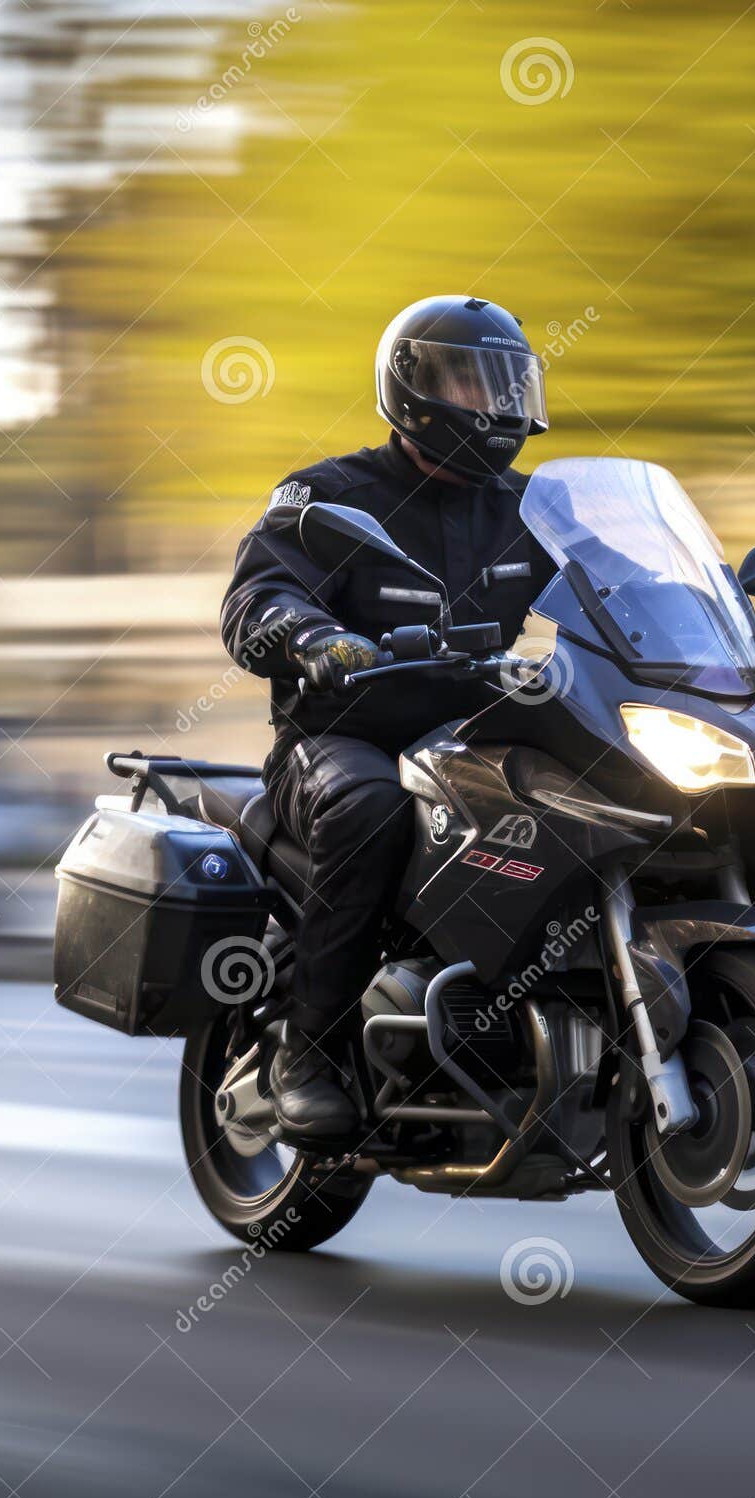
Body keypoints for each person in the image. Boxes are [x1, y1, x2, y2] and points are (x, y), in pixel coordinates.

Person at [220, 295, 554, 1146]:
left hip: (471, 748)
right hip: (340, 745)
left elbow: (624, 591)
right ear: (414, 389)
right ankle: (310, 1057)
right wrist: (313, 635)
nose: (496, 402)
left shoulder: (538, 508)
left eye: (509, 382)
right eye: (471, 381)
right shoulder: (329, 495)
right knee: (370, 806)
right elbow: (259, 594)